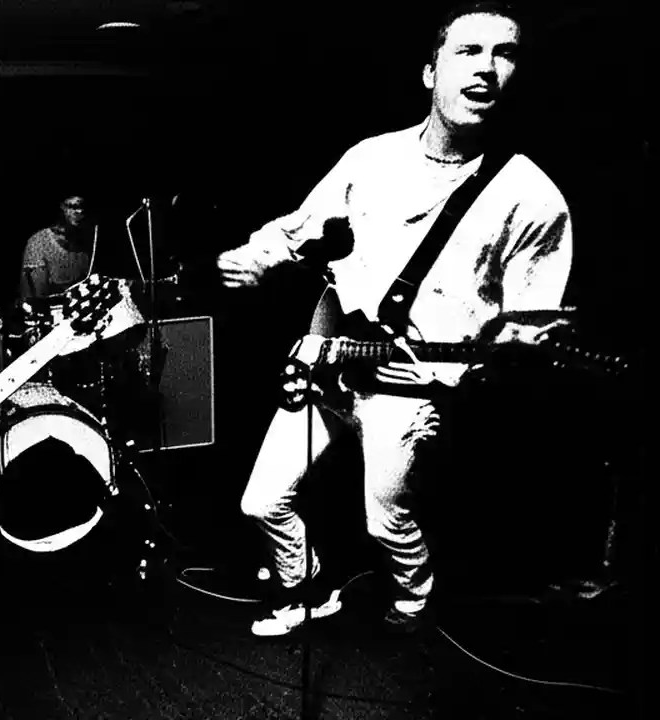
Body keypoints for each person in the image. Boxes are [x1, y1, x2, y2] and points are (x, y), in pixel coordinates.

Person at [214, 2, 572, 637]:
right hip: (326, 362)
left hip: (409, 387)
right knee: (261, 500)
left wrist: (503, 353)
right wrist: (253, 258)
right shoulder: (371, 159)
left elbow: (525, 325)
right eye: (468, 51)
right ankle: (306, 587)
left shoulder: (532, 196)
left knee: (386, 521)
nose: (486, 68)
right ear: (431, 72)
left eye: (505, 54)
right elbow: (301, 229)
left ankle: (414, 596)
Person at [18, 193, 94, 299]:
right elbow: (37, 296)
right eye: (73, 207)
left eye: (83, 207)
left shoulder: (90, 241)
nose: (80, 212)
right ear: (61, 207)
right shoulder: (39, 242)